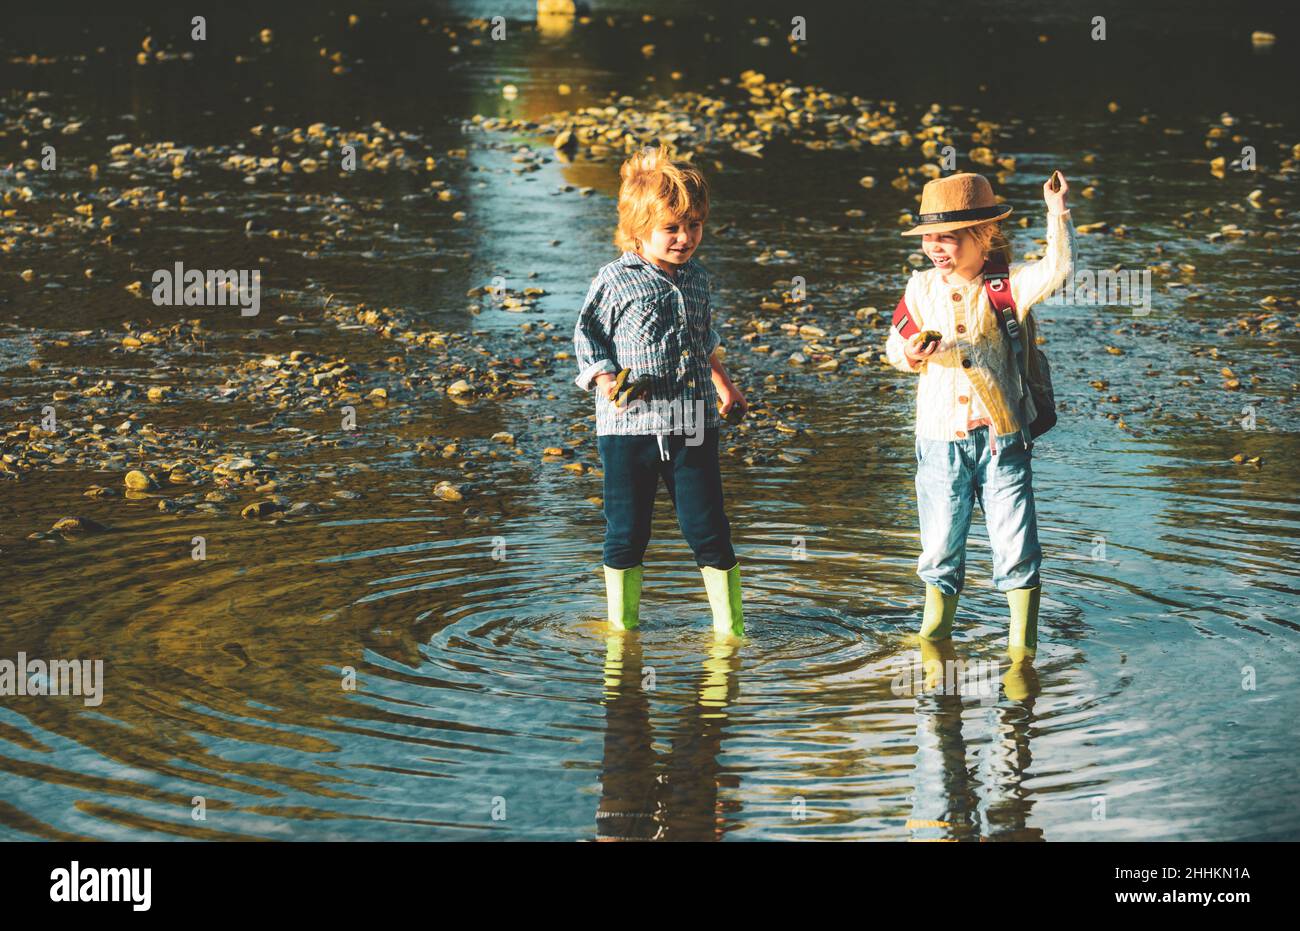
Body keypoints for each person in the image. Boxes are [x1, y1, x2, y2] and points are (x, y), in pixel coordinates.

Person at [885, 171, 1075, 662]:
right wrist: (912, 351)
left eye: (947, 238)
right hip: (938, 440)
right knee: (940, 545)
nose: (935, 247)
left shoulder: (1006, 285)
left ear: (983, 236)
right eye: (929, 237)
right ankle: (935, 636)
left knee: (1015, 543)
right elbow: (893, 349)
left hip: (1002, 439)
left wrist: (1057, 211)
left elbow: (1057, 268)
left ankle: (1021, 647)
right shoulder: (920, 287)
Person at [573, 148, 747, 637]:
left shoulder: (697, 280)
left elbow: (702, 339)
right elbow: (588, 336)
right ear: (637, 228)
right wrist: (606, 379)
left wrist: (724, 384)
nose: (685, 238)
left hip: (693, 422)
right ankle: (622, 632)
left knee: (709, 529)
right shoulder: (615, 279)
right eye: (671, 228)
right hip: (629, 428)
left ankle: (730, 633)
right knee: (627, 533)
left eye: (693, 225)